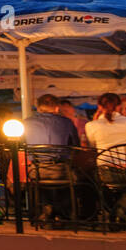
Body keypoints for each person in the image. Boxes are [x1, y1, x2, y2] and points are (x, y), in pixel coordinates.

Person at [85, 93, 126, 224]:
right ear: (118, 106)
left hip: (105, 172)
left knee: (97, 182)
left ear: (99, 106)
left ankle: (114, 211)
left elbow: (93, 146)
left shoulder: (91, 125)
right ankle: (119, 211)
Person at [22, 93, 80, 226]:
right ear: (56, 108)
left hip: (37, 170)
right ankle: (62, 213)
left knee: (37, 182)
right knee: (75, 179)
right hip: (61, 170)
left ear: (37, 107)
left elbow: (22, 144)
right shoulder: (66, 122)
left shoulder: (27, 122)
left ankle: (45, 209)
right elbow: (76, 145)